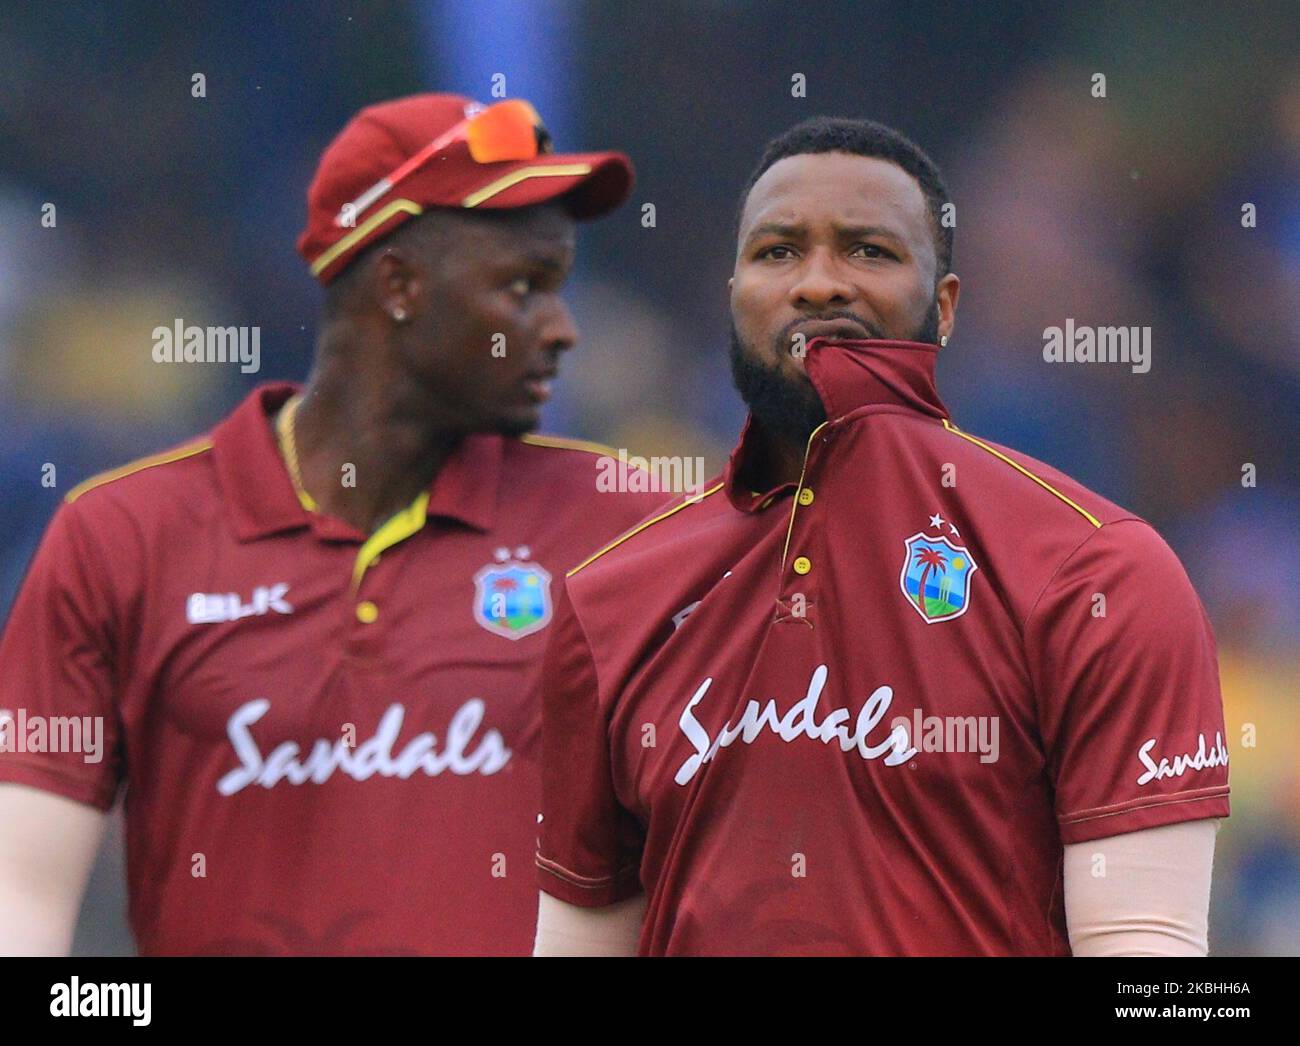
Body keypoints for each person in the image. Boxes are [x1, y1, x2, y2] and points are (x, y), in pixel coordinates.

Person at [533, 117, 1229, 956]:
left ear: (944, 307)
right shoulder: (611, 598)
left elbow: (1150, 959)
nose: (819, 283)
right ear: (733, 293)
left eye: (869, 251)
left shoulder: (1097, 571)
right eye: (778, 252)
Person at [0, 93, 664, 956]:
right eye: (523, 287)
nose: (563, 329)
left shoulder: (629, 523)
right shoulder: (121, 536)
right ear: (398, 285)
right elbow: (21, 906)